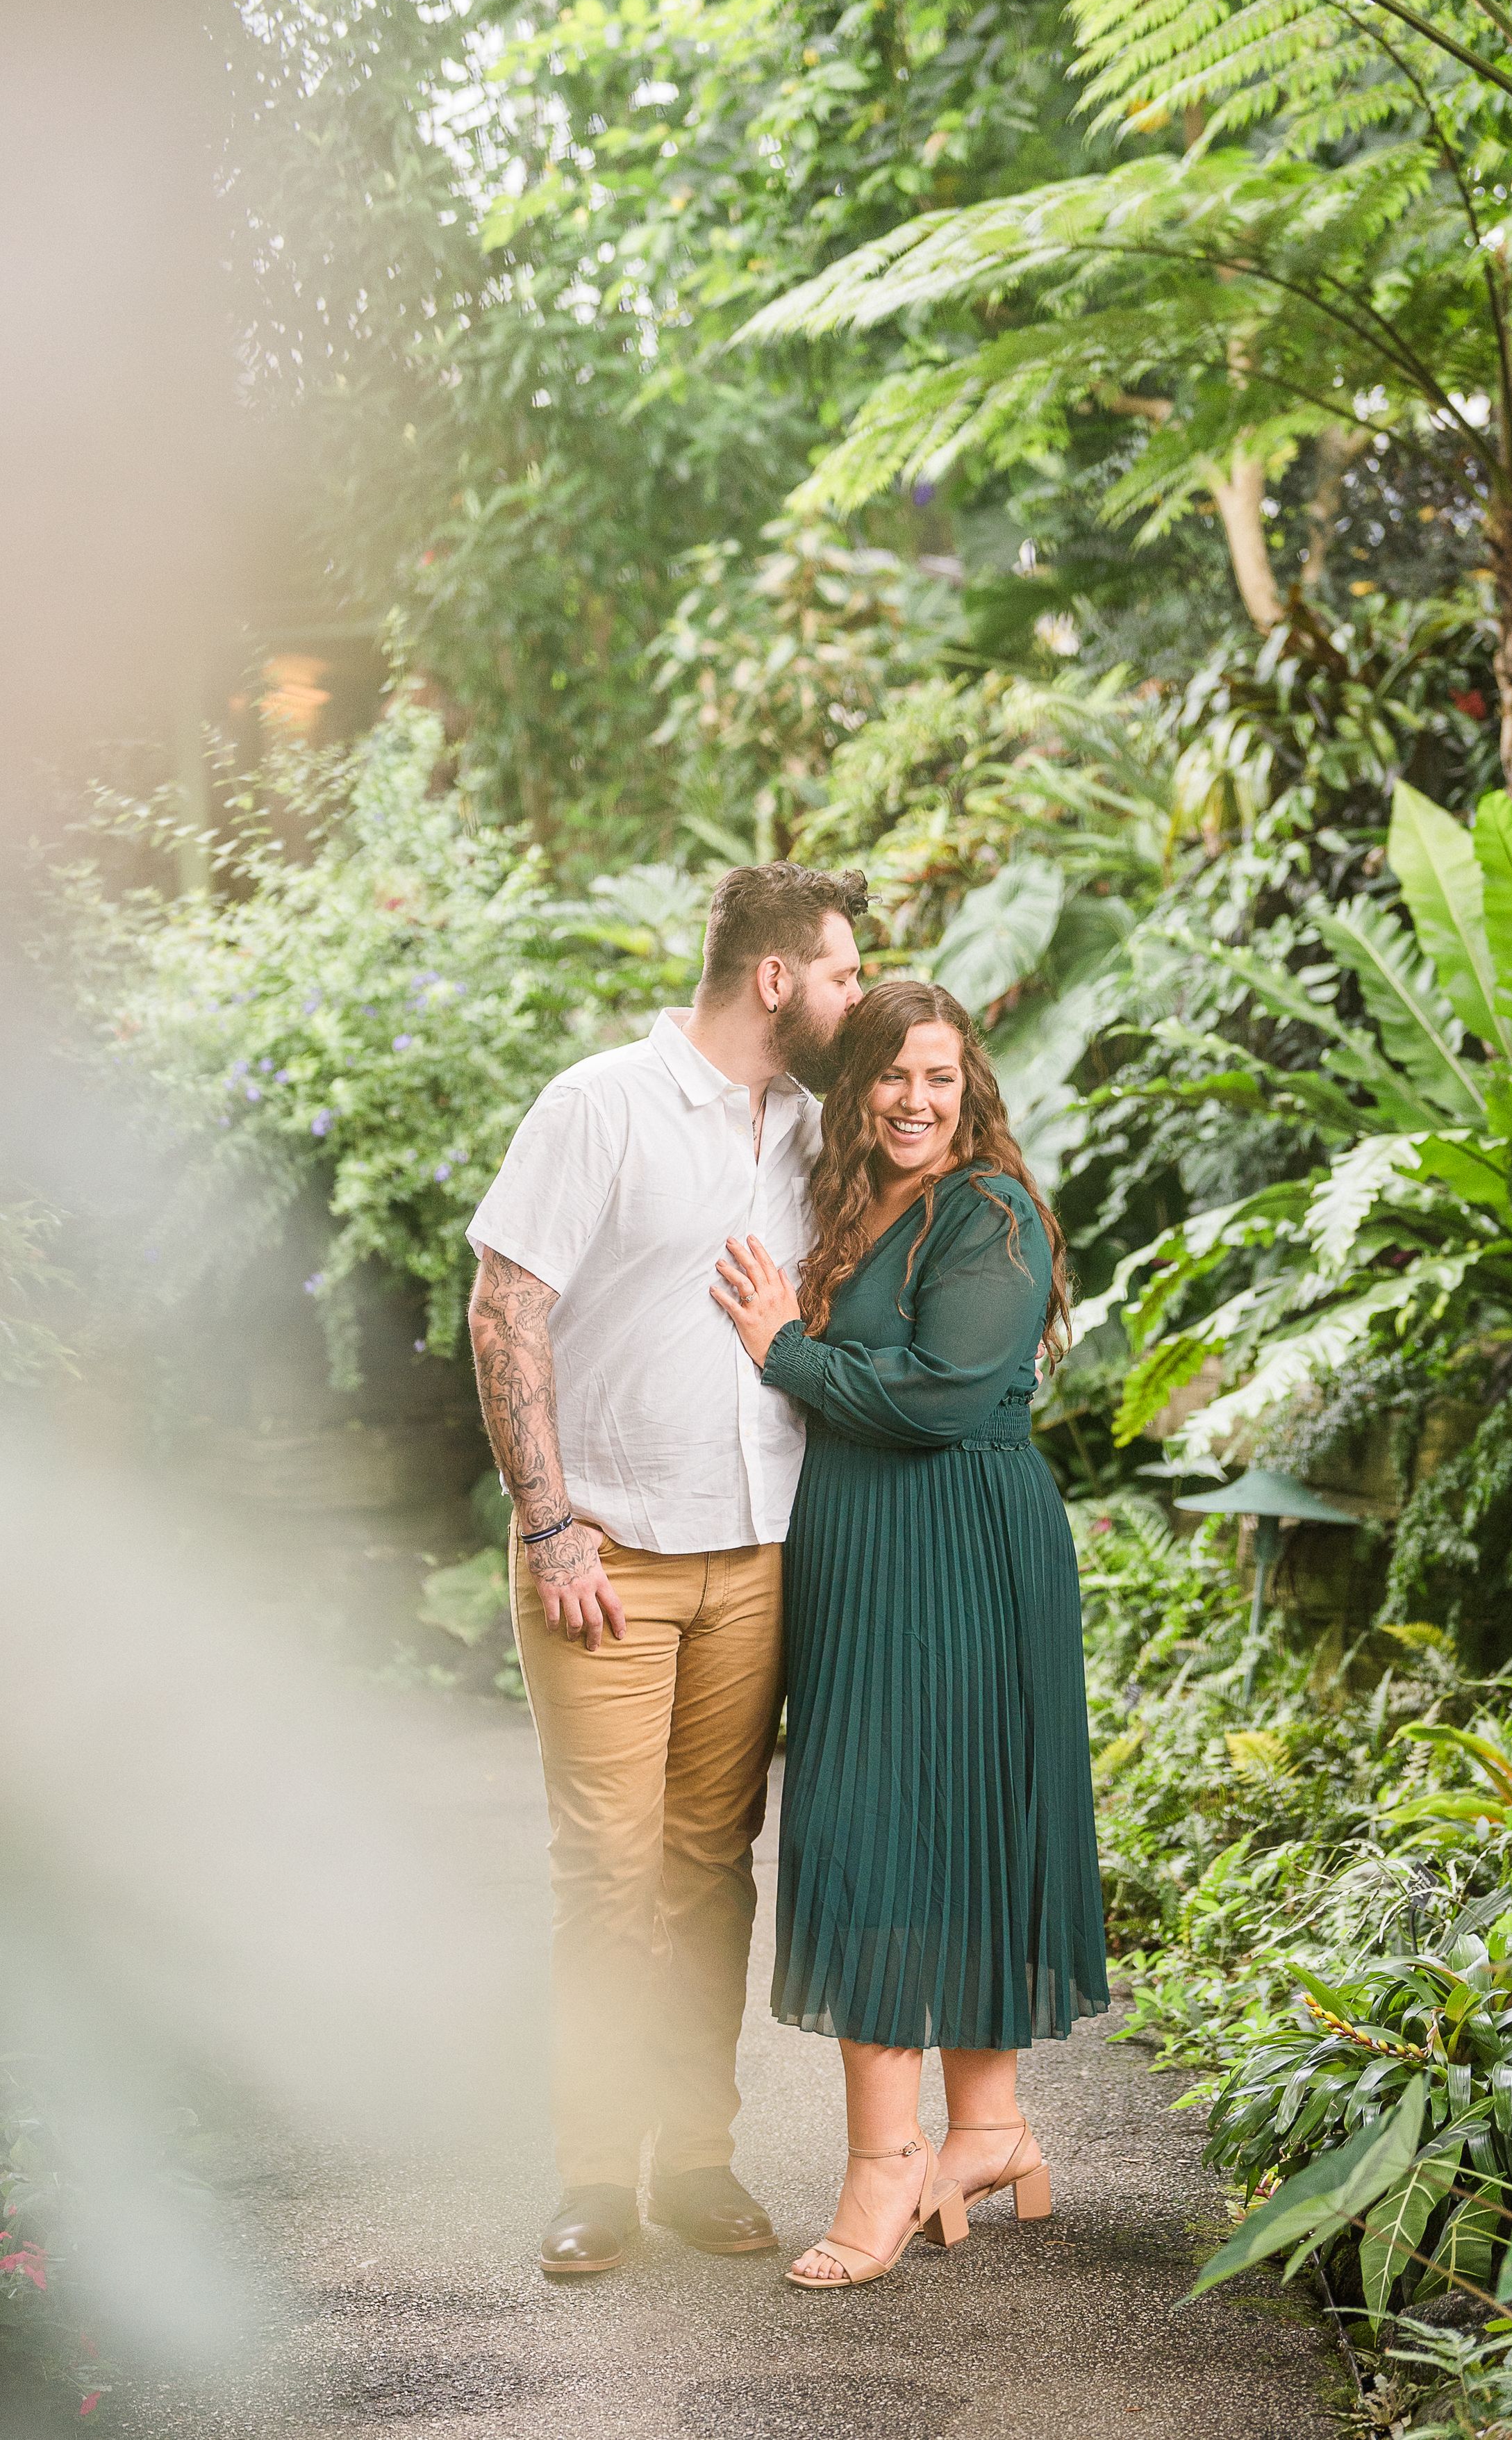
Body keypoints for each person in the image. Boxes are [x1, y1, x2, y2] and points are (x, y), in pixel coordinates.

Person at [465, 860, 867, 2278]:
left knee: (710, 1873)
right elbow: (505, 1305)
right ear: (773, 979)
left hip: (756, 1556)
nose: (853, 995)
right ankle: (593, 2176)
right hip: (608, 1562)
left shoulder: (817, 1130)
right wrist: (548, 1521)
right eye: (839, 972)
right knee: (610, 1878)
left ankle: (696, 2158)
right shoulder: (597, 1106)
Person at [711, 977, 1110, 2290]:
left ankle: (889, 2163)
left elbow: (940, 1394)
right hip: (865, 1554)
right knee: (905, 1822)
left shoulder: (987, 1210)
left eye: (938, 1076)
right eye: (890, 1073)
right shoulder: (848, 1196)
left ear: (970, 1085)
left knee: (901, 1829)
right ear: (858, 1084)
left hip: (964, 1551)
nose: (915, 1100)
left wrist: (785, 1347)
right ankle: (989, 2132)